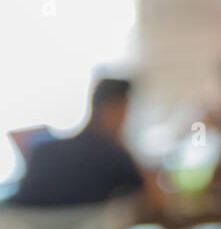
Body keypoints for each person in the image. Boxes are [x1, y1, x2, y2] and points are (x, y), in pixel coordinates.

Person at [11, 79, 145, 207]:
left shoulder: (43, 150)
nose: (125, 119)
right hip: (91, 228)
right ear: (113, 108)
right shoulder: (115, 157)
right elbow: (150, 196)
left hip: (24, 226)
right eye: (125, 110)